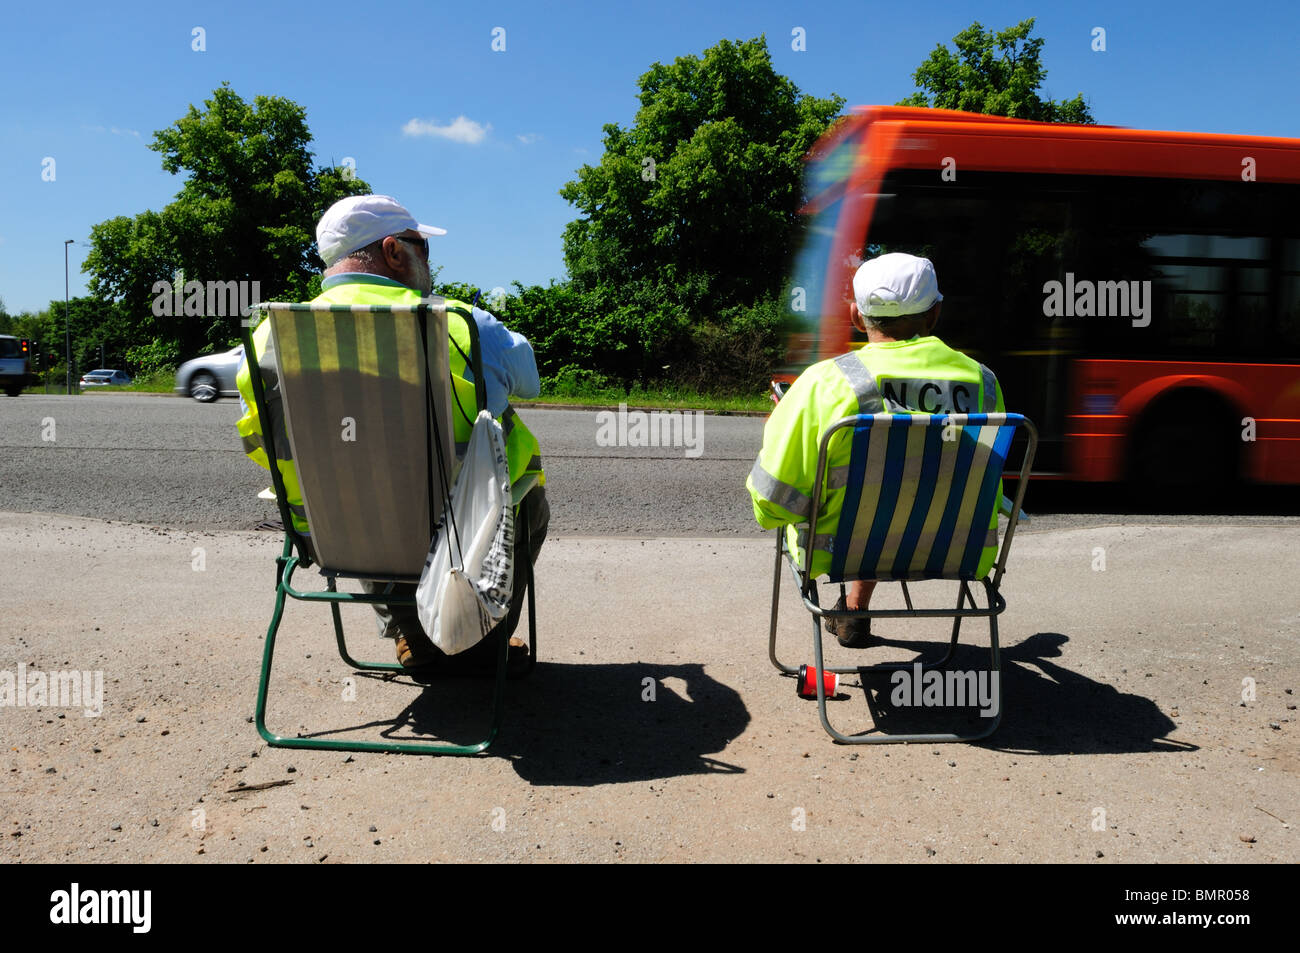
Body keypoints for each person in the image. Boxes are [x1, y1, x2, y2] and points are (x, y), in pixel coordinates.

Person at [237, 194, 548, 672]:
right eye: (422, 248)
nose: (428, 262)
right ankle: (480, 636)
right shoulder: (462, 326)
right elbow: (531, 382)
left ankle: (411, 632)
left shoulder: (264, 345)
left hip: (334, 536)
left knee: (360, 497)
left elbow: (260, 445)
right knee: (527, 498)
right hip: (463, 535)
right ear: (393, 251)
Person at [747, 253, 1003, 647]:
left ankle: (851, 609)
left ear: (856, 316)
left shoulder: (823, 384)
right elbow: (987, 486)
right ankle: (854, 608)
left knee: (867, 504)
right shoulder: (983, 382)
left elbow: (772, 503)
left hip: (840, 553)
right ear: (935, 314)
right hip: (954, 551)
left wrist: (781, 425)